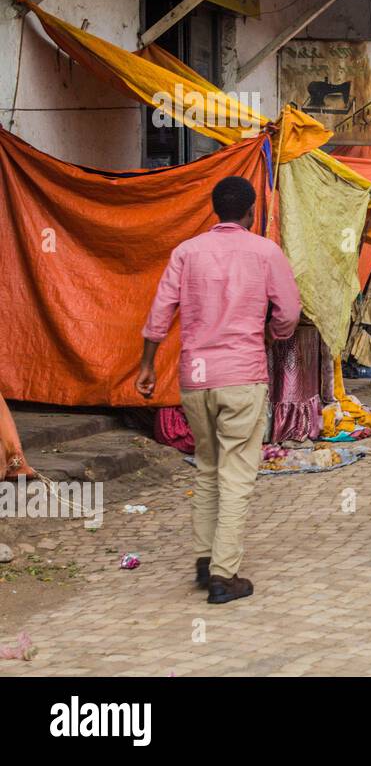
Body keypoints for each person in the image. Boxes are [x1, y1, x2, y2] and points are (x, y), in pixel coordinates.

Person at [136, 176, 301, 605]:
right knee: (237, 475)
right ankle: (223, 576)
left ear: (216, 211)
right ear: (249, 213)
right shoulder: (266, 251)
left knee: (208, 468)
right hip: (242, 376)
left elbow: (159, 313)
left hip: (196, 378)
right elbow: (289, 312)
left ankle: (204, 560)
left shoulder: (187, 251)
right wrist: (271, 334)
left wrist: (148, 366)